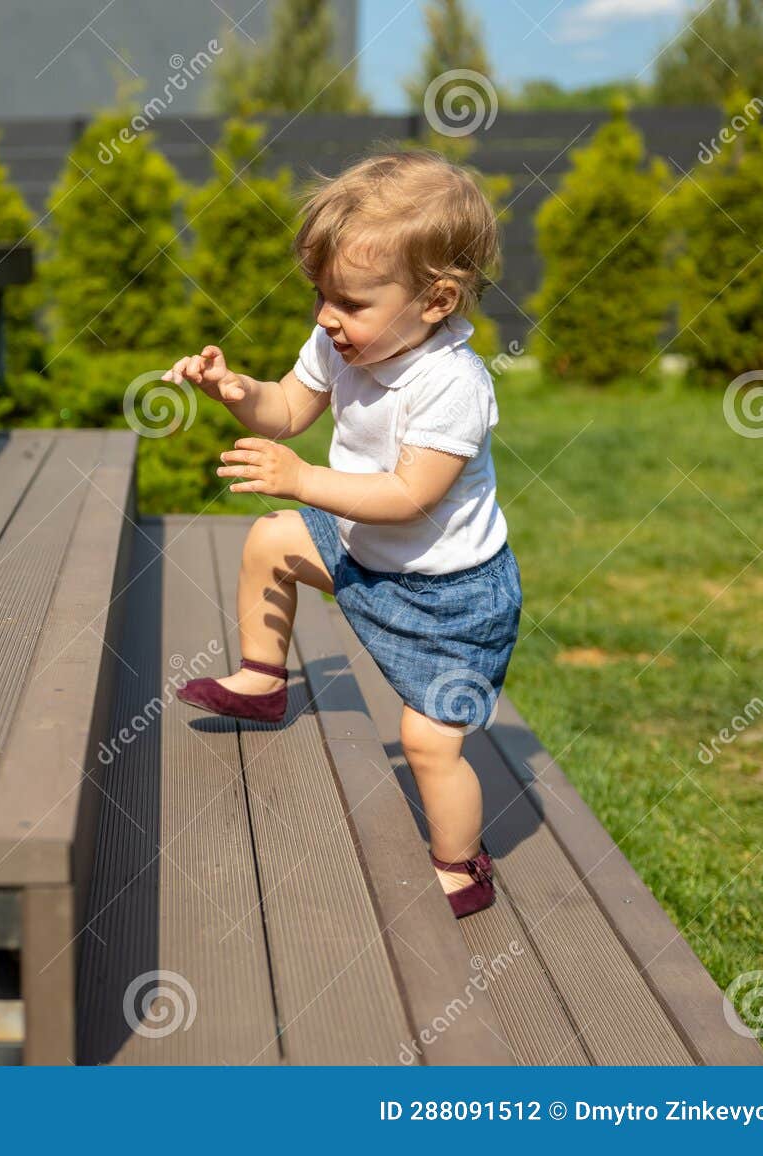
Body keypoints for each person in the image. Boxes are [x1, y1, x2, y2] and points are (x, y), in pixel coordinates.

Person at [160, 149, 522, 919]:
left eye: (351, 301)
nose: (328, 316)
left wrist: (302, 480)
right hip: (366, 552)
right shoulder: (338, 342)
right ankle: (261, 682)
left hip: (451, 600)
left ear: (437, 300)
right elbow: (287, 410)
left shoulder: (451, 385)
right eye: (321, 295)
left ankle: (463, 863)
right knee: (270, 542)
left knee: (429, 743)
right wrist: (237, 391)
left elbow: (408, 496)